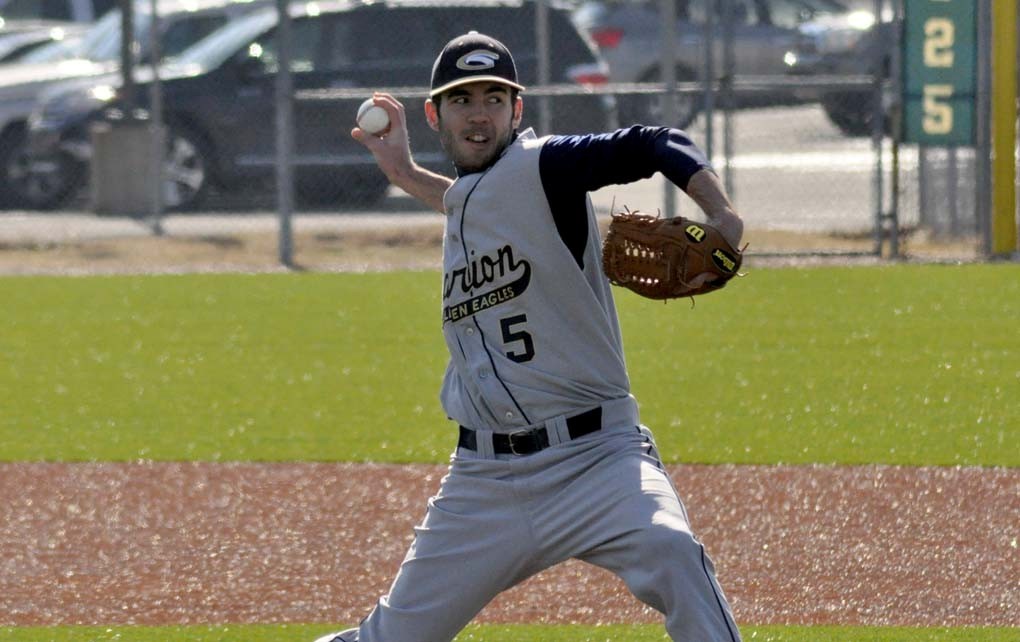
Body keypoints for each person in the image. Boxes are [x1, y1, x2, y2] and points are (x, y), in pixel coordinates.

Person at [316, 31, 744, 642]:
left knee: (673, 554)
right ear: (436, 114)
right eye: (462, 99)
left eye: (495, 97)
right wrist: (406, 173)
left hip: (597, 460)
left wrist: (722, 214)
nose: (479, 113)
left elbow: (655, 142)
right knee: (389, 638)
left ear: (518, 111)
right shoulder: (474, 199)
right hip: (483, 482)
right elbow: (471, 200)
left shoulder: (546, 166)